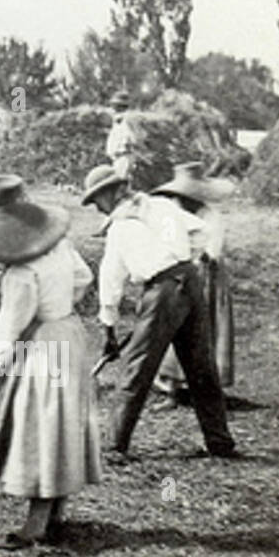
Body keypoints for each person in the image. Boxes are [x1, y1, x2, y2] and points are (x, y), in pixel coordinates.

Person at [0, 175, 103, 549]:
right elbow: (84, 277)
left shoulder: (20, 275)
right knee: (61, 422)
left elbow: (6, 331)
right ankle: (55, 512)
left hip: (44, 349)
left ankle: (37, 525)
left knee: (40, 426)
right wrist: (58, 305)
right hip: (68, 334)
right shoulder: (60, 247)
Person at [80, 164, 237, 463]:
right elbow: (201, 231)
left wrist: (109, 329)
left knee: (137, 368)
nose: (97, 207)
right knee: (200, 366)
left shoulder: (121, 228)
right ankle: (220, 441)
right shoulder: (161, 206)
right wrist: (186, 261)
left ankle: (114, 446)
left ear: (114, 192)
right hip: (190, 282)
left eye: (97, 199)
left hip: (163, 291)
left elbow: (110, 281)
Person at [151, 162, 236, 401]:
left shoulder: (212, 217)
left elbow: (212, 252)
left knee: (204, 327)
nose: (178, 200)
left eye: (182, 196)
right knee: (174, 326)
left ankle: (206, 387)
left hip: (207, 278)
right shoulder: (174, 216)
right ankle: (171, 386)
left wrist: (193, 262)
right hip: (181, 274)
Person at [105, 90, 136, 179]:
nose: (112, 109)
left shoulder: (125, 120)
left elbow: (131, 139)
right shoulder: (117, 121)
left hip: (123, 157)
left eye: (115, 106)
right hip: (119, 158)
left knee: (121, 180)